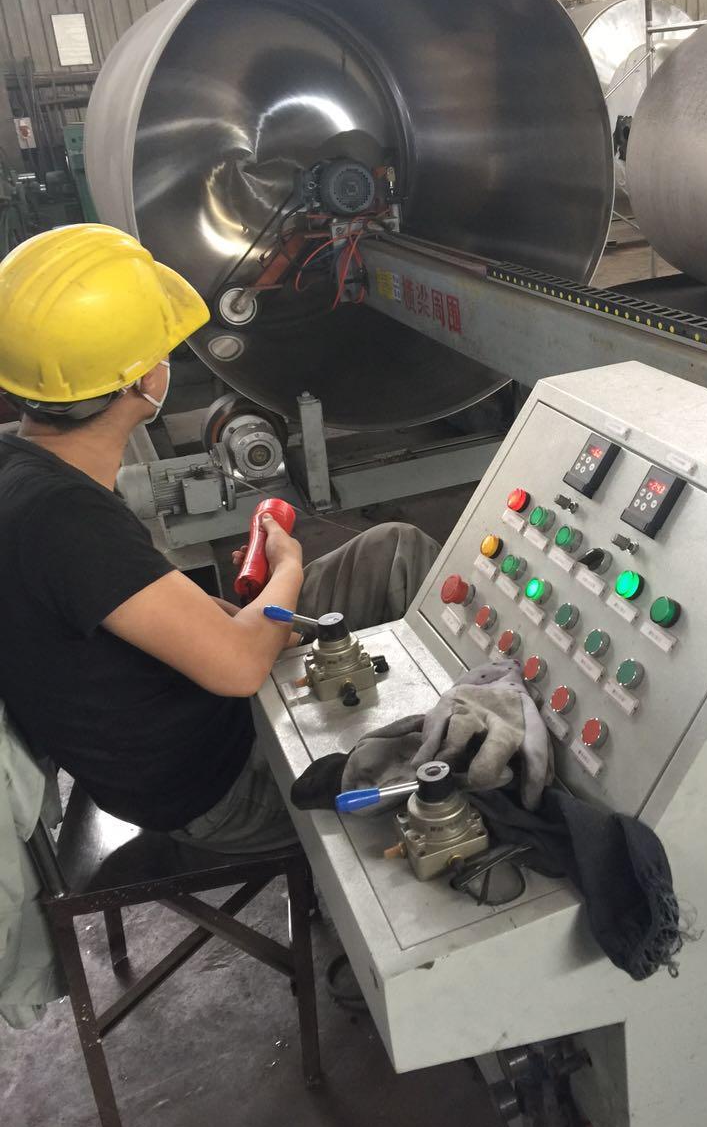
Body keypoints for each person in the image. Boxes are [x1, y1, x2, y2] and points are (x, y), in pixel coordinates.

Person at [0, 224, 438, 853]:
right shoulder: (65, 518)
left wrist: (236, 616)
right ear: (143, 381)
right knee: (459, 751)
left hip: (182, 726)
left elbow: (117, 603)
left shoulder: (24, 468)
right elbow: (237, 668)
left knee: (393, 550)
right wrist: (286, 567)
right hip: (223, 787)